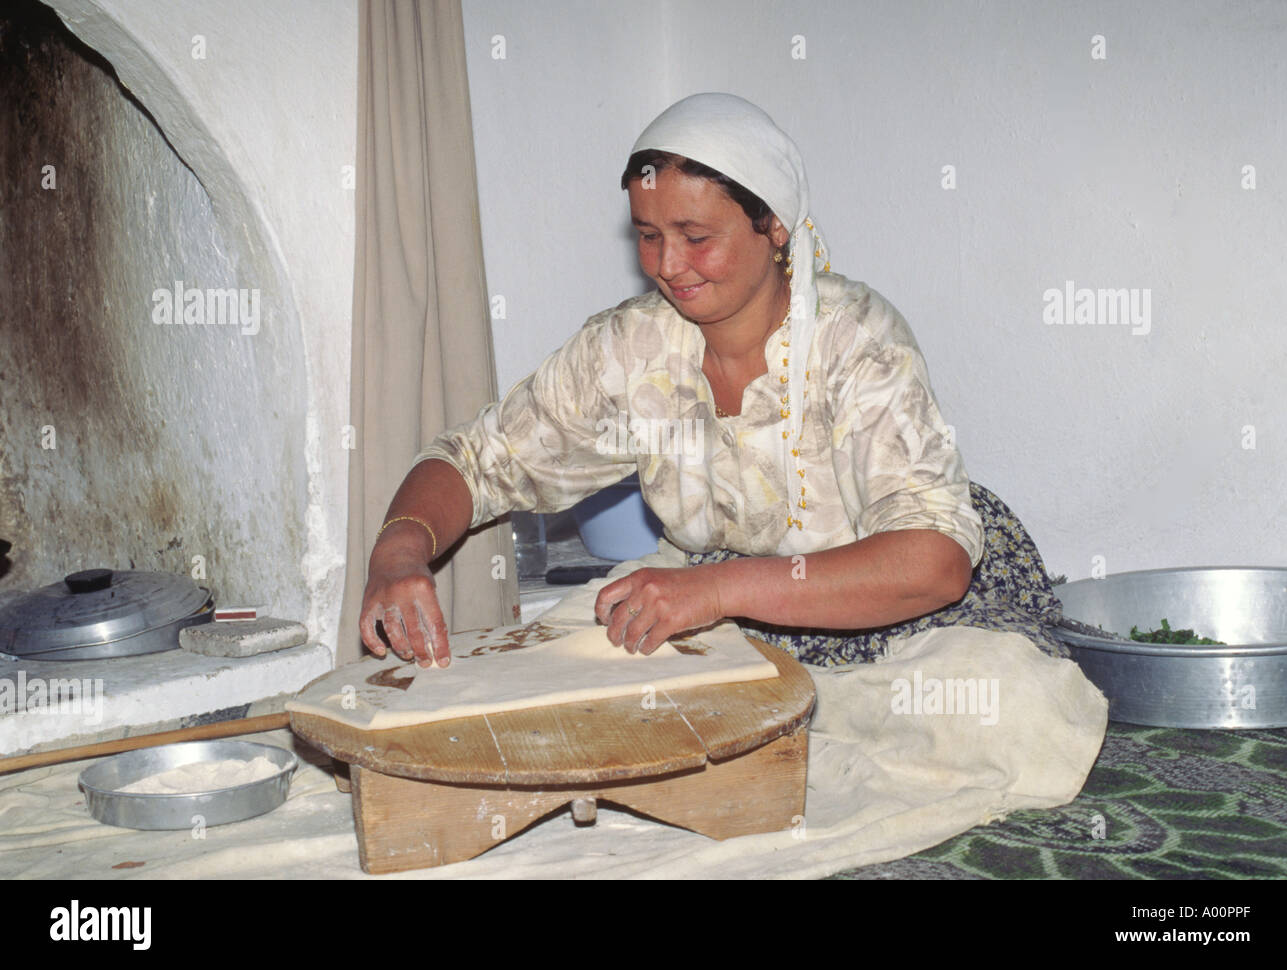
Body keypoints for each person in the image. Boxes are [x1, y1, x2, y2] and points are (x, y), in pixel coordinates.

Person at [360, 92, 1066, 670]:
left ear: (776, 227)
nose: (668, 264)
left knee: (990, 703)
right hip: (723, 598)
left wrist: (716, 588)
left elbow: (933, 562)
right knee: (559, 674)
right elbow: (478, 460)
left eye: (696, 238)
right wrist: (398, 551)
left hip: (895, 601)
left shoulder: (857, 340)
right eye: (647, 235)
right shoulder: (631, 348)